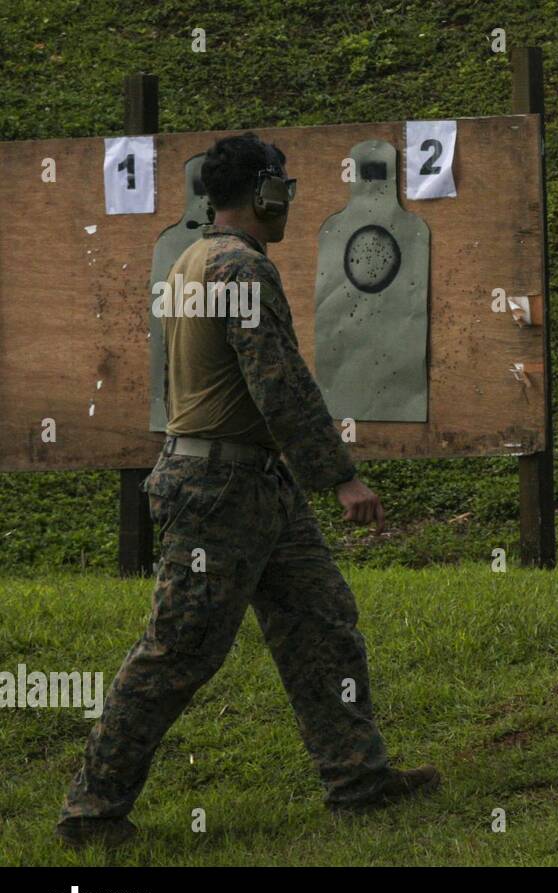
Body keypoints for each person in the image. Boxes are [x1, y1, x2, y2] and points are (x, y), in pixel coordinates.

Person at [56, 132, 439, 848]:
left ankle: (358, 779)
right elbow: (279, 384)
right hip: (223, 487)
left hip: (249, 481)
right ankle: (91, 811)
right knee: (178, 650)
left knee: (322, 621)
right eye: (282, 186)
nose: (288, 199)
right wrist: (342, 477)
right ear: (263, 192)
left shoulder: (196, 258)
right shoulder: (241, 269)